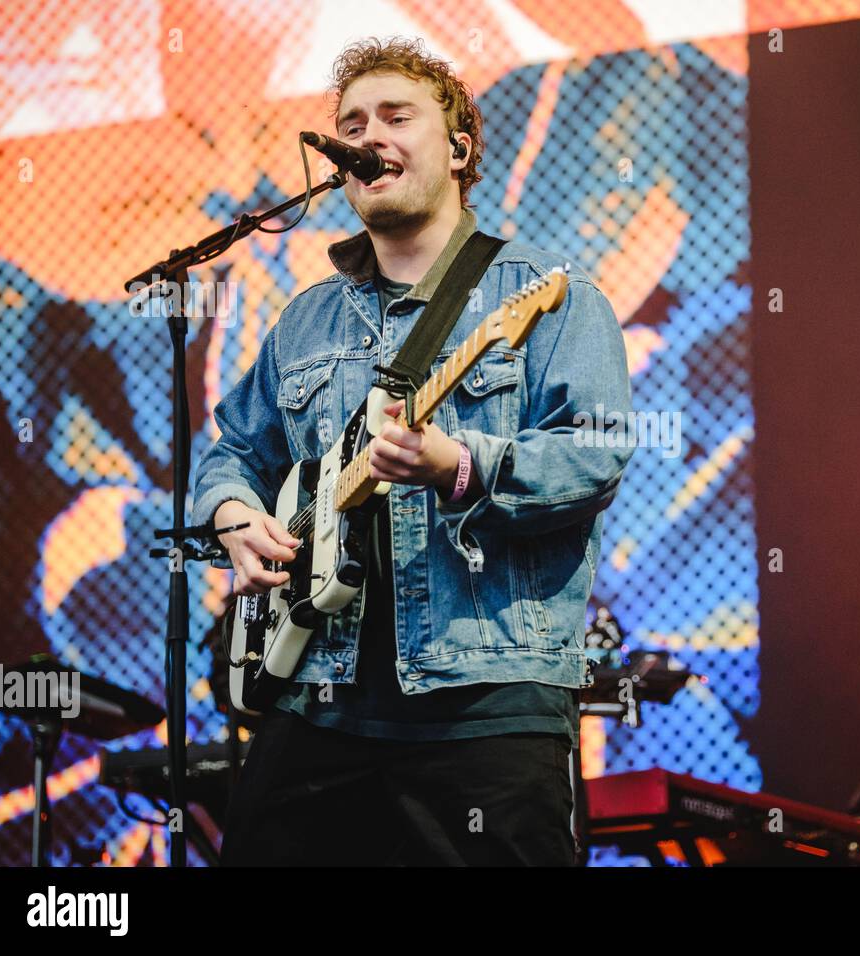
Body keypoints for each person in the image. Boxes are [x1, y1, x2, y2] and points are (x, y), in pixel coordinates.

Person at [192, 36, 634, 865]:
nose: (368, 135)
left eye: (397, 116)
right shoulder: (305, 320)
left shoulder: (546, 297)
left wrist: (457, 466)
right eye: (351, 122)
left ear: (460, 148)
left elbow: (596, 453)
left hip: (484, 705)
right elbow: (233, 451)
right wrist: (233, 514)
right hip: (314, 697)